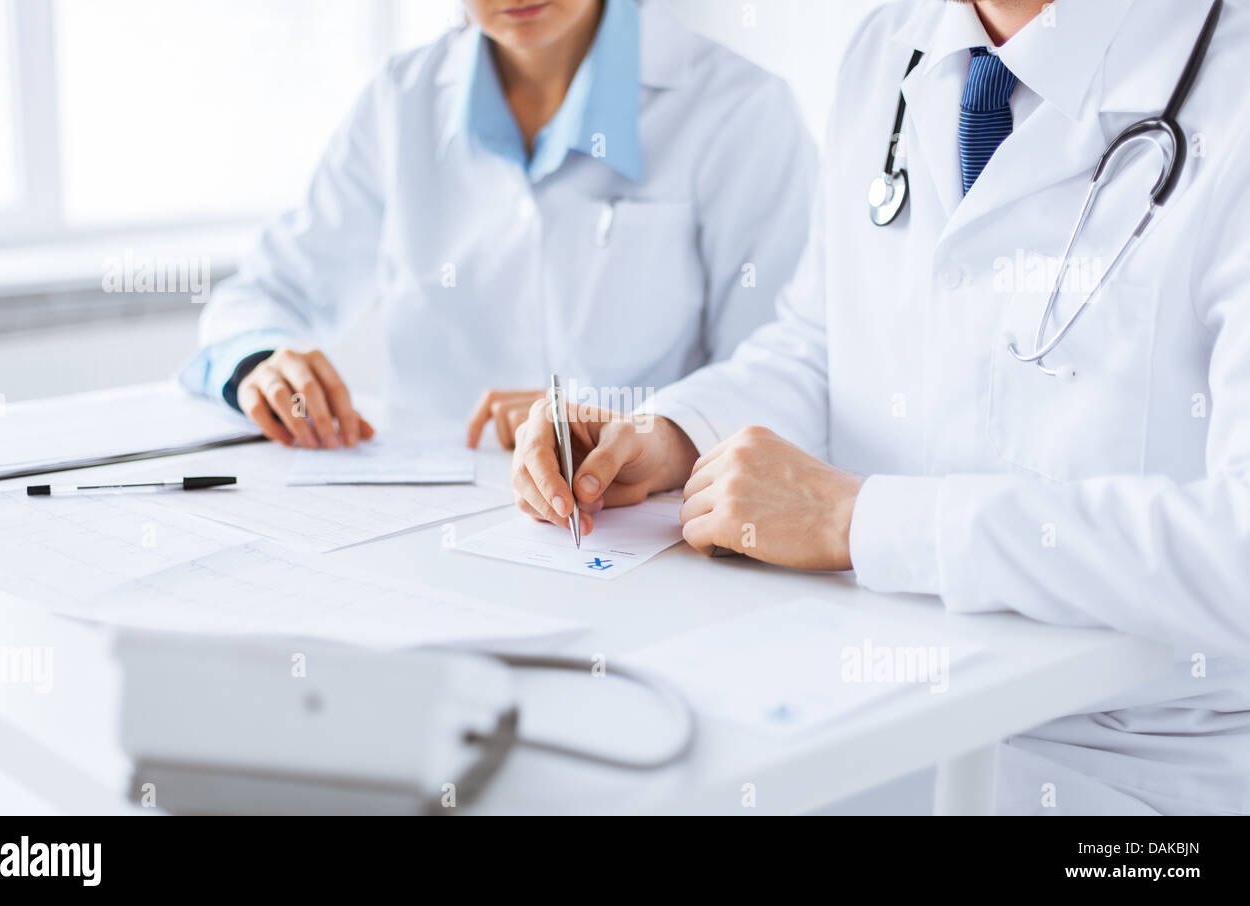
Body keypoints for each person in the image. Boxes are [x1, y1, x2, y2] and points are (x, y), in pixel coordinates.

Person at [512, 0, 1250, 815]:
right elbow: (821, 342)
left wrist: (864, 522)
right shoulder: (892, 46)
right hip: (886, 704)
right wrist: (672, 434)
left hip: (1141, 767)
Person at [179, 0, 814, 450]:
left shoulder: (740, 109)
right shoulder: (400, 99)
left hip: (638, 522)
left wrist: (627, 425)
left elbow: (778, 375)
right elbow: (266, 294)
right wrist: (259, 358)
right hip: (420, 517)